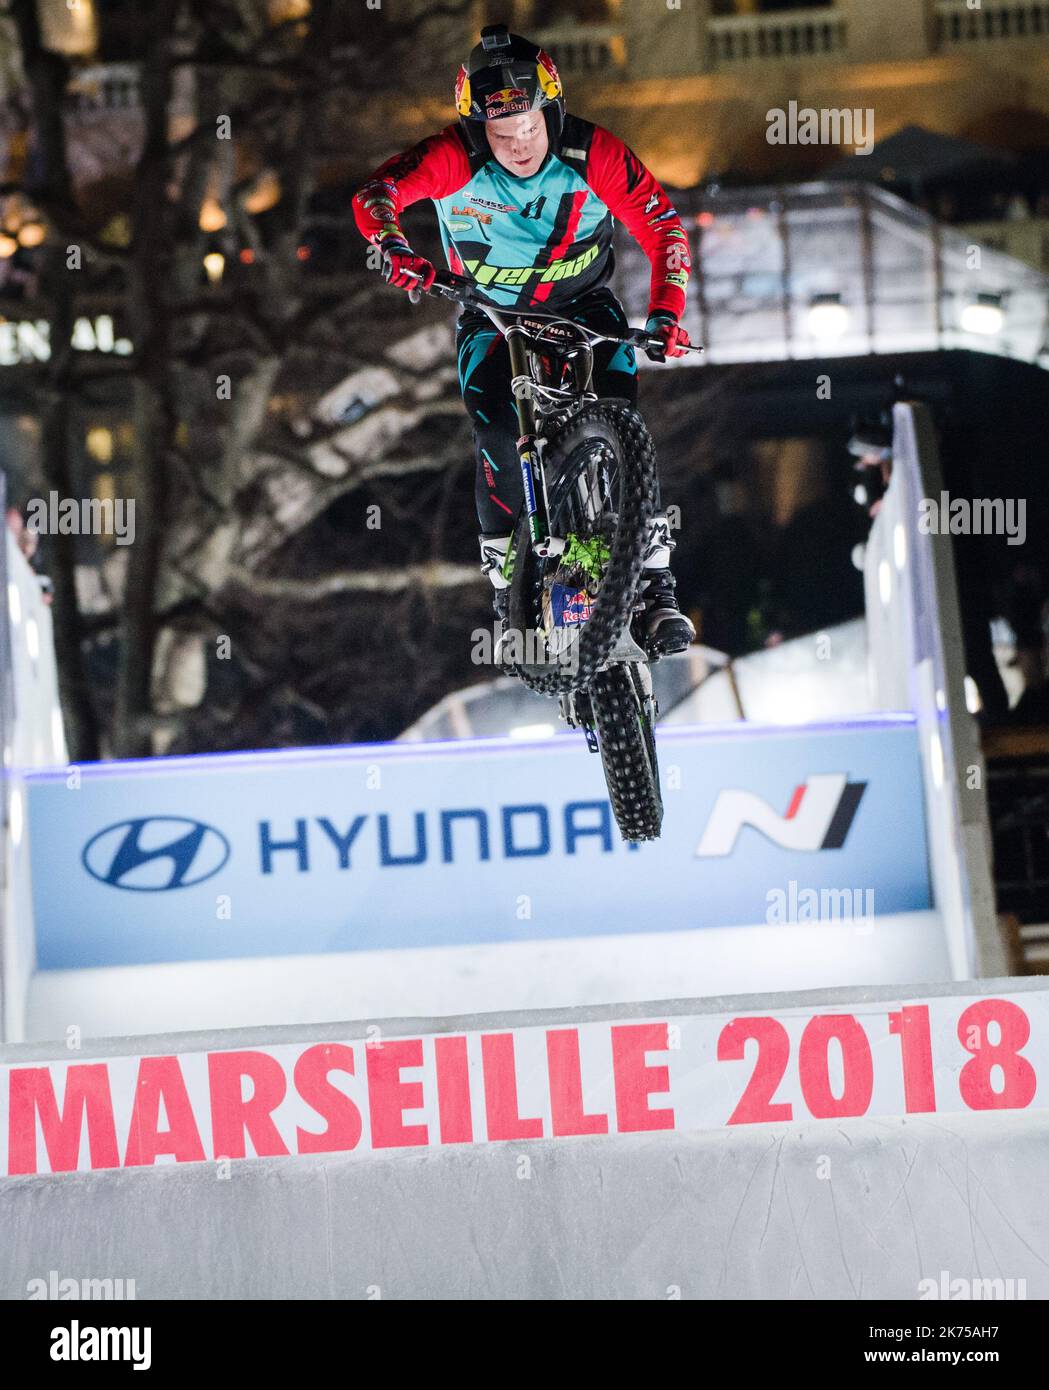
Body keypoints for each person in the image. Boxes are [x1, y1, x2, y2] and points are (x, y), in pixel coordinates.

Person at [352, 24, 696, 656]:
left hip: (587, 309)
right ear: (476, 127)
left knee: (623, 422)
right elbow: (377, 195)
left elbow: (663, 229)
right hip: (490, 314)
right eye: (500, 133)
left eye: (530, 127)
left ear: (552, 109)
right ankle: (506, 578)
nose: (517, 145)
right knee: (496, 435)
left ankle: (656, 588)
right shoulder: (452, 157)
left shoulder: (595, 154)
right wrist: (393, 245)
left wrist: (667, 313)